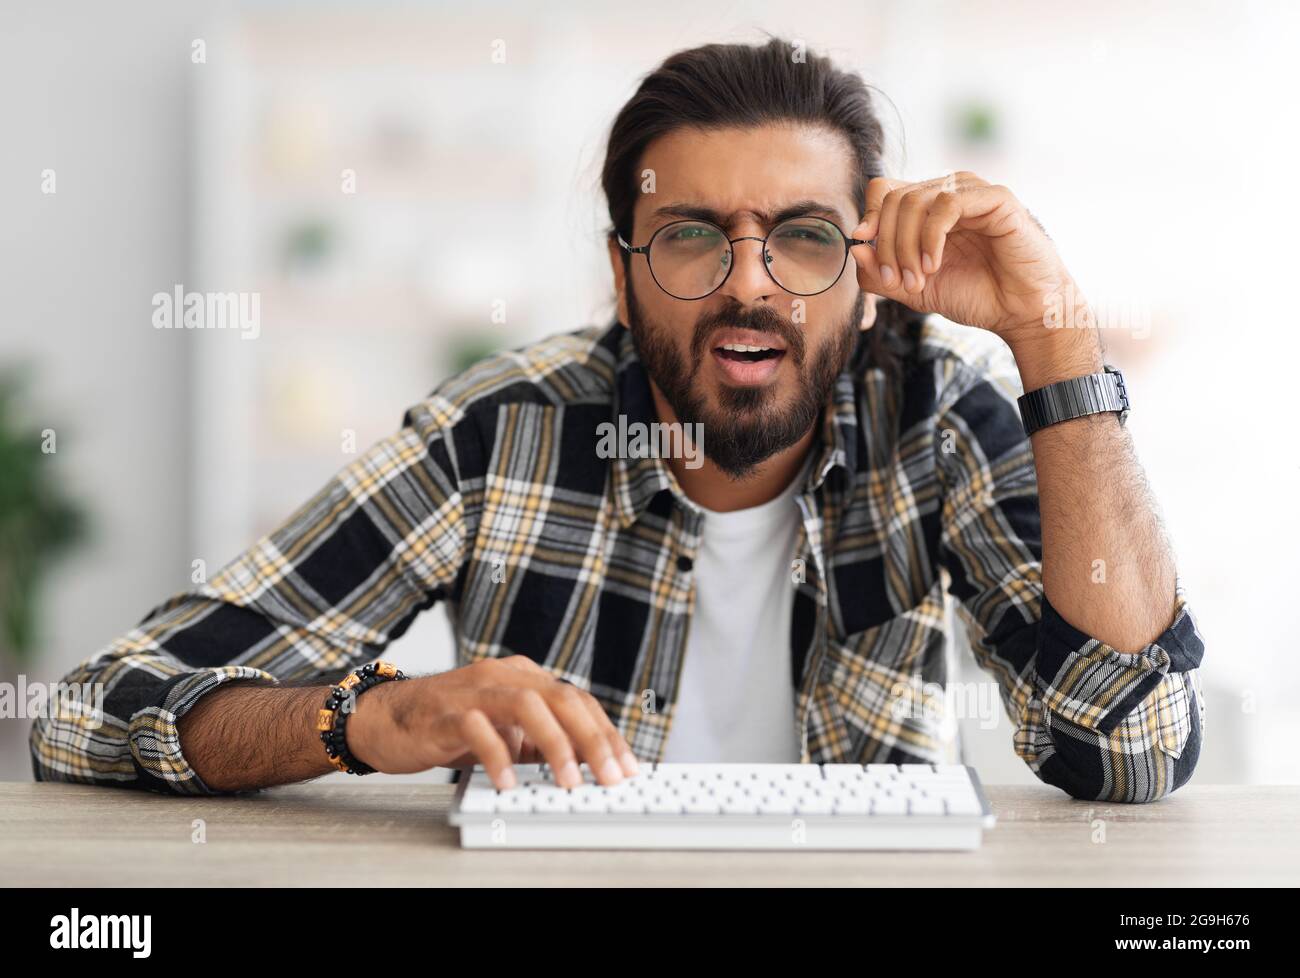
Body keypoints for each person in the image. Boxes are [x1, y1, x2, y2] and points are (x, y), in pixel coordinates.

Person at [31, 37, 1203, 802]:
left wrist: (1055, 336)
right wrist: (367, 719)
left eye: (800, 236)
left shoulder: (937, 417)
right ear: (622, 268)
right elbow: (89, 713)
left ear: (862, 269)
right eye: (693, 234)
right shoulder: (500, 433)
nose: (749, 285)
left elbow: (1130, 749)